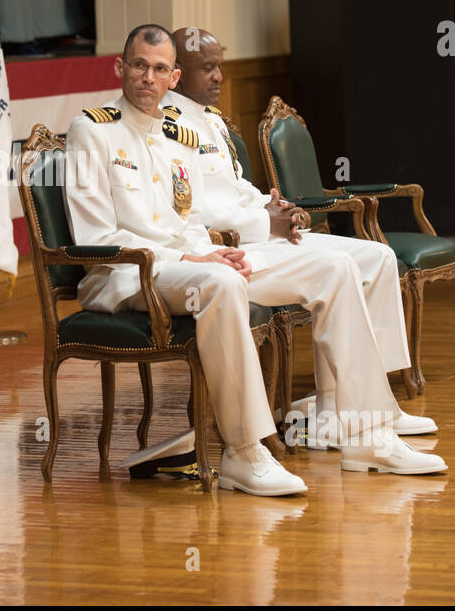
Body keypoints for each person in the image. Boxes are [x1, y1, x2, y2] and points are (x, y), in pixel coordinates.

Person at [65, 24, 441, 498]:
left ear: (172, 76)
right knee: (221, 284)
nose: (148, 77)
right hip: (126, 274)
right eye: (139, 65)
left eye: (159, 69)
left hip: (191, 263)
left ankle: (369, 434)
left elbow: (189, 218)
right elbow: (97, 236)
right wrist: (196, 256)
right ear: (120, 67)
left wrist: (215, 251)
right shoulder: (92, 130)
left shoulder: (177, 135)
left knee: (336, 268)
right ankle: (245, 452)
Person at [166, 27, 438, 448]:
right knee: (340, 268)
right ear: (178, 74)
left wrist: (277, 207)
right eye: (208, 68)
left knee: (378, 258)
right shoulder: (170, 127)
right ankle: (350, 414)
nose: (219, 76)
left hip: (259, 233)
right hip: (233, 245)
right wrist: (264, 222)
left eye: (221, 66)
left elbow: (237, 190)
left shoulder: (213, 120)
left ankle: (365, 402)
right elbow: (193, 211)